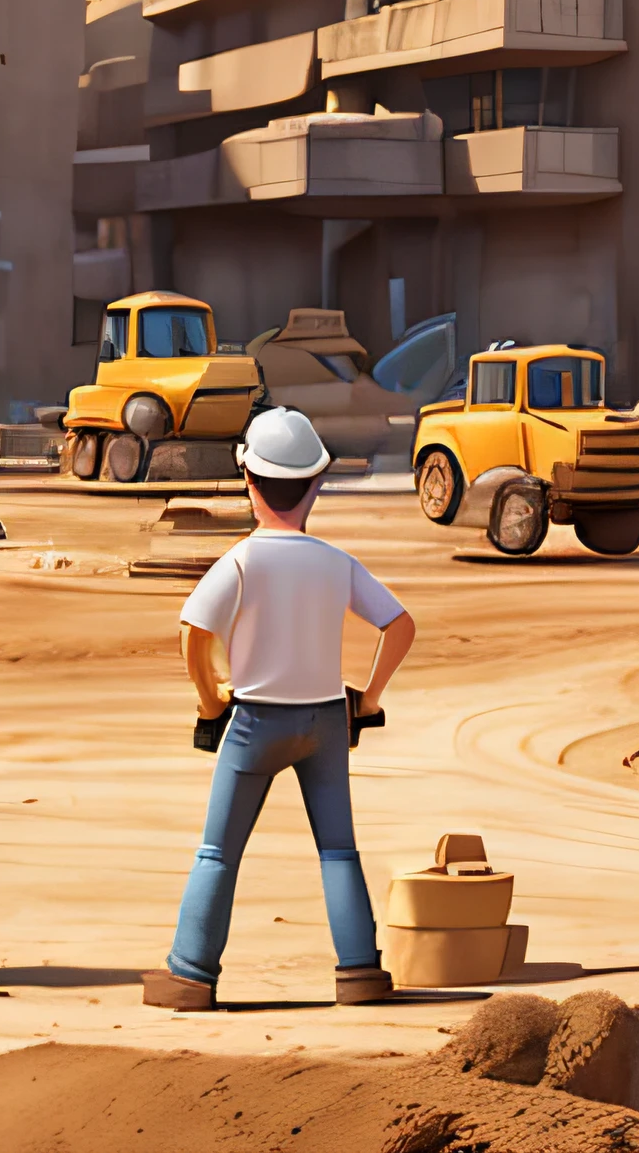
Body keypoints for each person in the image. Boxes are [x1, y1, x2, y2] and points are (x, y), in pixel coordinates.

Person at [146, 404, 415, 1012]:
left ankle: (191, 975)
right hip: (324, 719)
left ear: (248, 478)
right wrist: (367, 700)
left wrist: (211, 700)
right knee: (338, 850)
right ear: (316, 484)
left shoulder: (240, 561)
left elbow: (192, 632)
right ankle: (359, 972)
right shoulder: (334, 562)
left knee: (219, 851)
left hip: (254, 723)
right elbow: (399, 626)